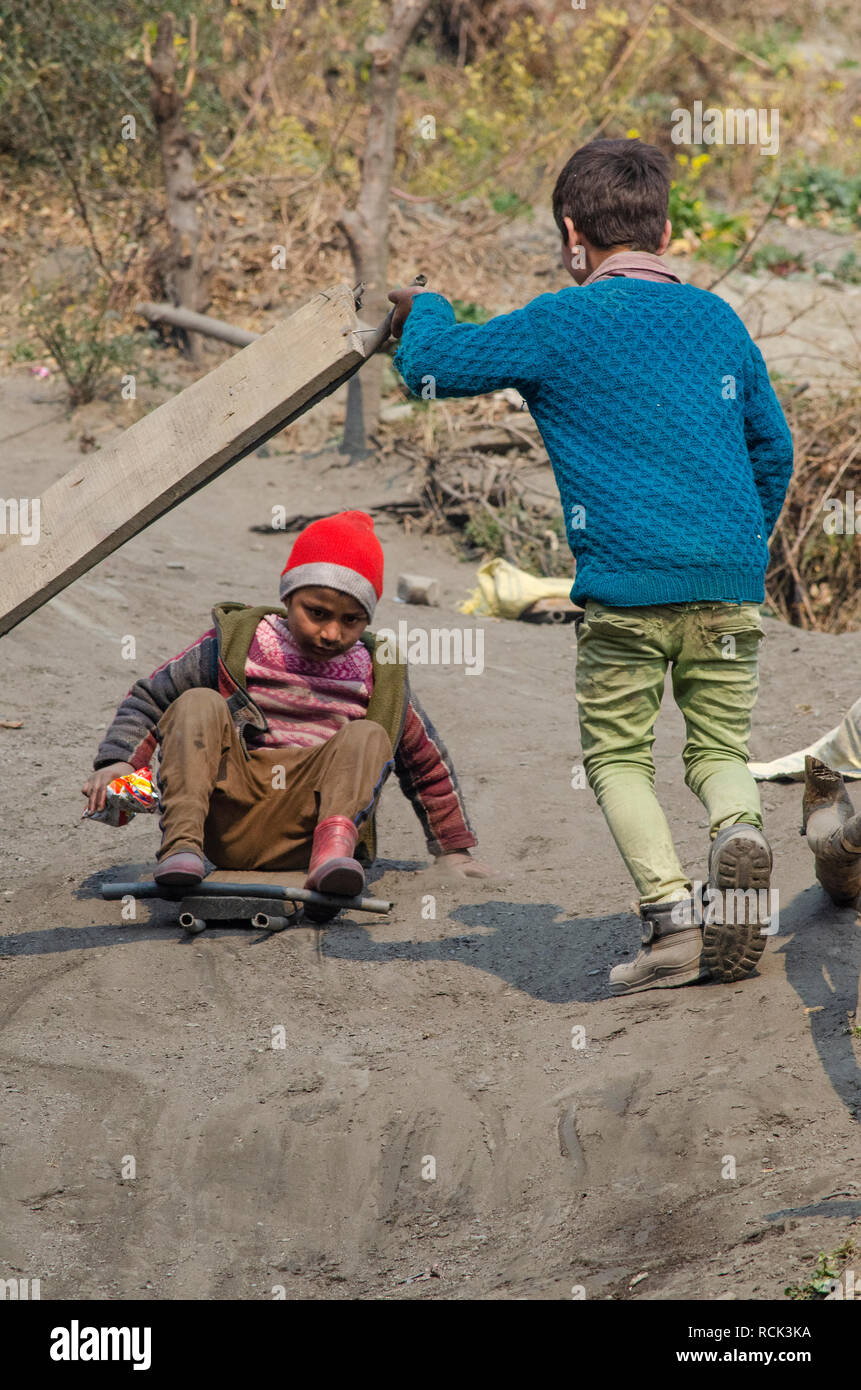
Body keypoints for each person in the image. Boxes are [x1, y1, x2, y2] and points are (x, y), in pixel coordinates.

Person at [388, 137, 794, 994]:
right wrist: (734, 547)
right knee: (718, 745)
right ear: (668, 228)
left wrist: (425, 303)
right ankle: (734, 827)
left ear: (573, 235)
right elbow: (773, 448)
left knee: (617, 757)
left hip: (626, 589)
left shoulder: (557, 322)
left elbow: (427, 368)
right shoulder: (718, 321)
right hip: (727, 582)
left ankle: (671, 921)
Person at [83, 511, 484, 919]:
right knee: (196, 703)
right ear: (288, 597)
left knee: (368, 735)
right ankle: (181, 847)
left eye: (351, 620)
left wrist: (454, 851)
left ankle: (331, 855)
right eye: (317, 612)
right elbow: (152, 697)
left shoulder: (376, 671)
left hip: (311, 832)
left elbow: (425, 764)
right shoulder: (239, 644)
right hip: (228, 817)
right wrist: (119, 761)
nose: (331, 633)